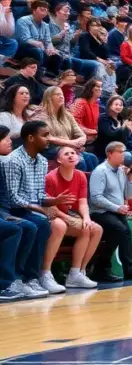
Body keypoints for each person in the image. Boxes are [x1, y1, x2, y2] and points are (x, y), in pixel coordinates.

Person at [0, 123, 51, 300]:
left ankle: (29, 277)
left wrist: (53, 201)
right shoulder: (12, 161)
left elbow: (40, 194)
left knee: (40, 224)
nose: (10, 142)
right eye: (5, 139)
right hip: (13, 208)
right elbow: (12, 198)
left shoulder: (42, 161)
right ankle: (9, 281)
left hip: (12, 209)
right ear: (31, 138)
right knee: (19, 227)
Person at [88, 141, 132, 282]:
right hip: (99, 212)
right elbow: (96, 198)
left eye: (124, 152)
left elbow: (128, 196)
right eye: (120, 152)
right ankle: (101, 268)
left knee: (126, 232)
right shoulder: (100, 171)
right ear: (110, 154)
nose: (124, 155)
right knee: (120, 230)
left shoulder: (122, 172)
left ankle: (130, 270)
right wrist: (117, 207)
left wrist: (130, 178)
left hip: (116, 211)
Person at [44, 147, 102, 289]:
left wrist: (86, 217)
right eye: (66, 154)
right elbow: (50, 205)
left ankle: (79, 272)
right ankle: (47, 272)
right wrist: (68, 219)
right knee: (84, 230)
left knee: (96, 228)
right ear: (59, 160)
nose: (71, 155)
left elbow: (82, 202)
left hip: (70, 214)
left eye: (73, 153)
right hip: (52, 214)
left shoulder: (80, 175)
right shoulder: (50, 177)